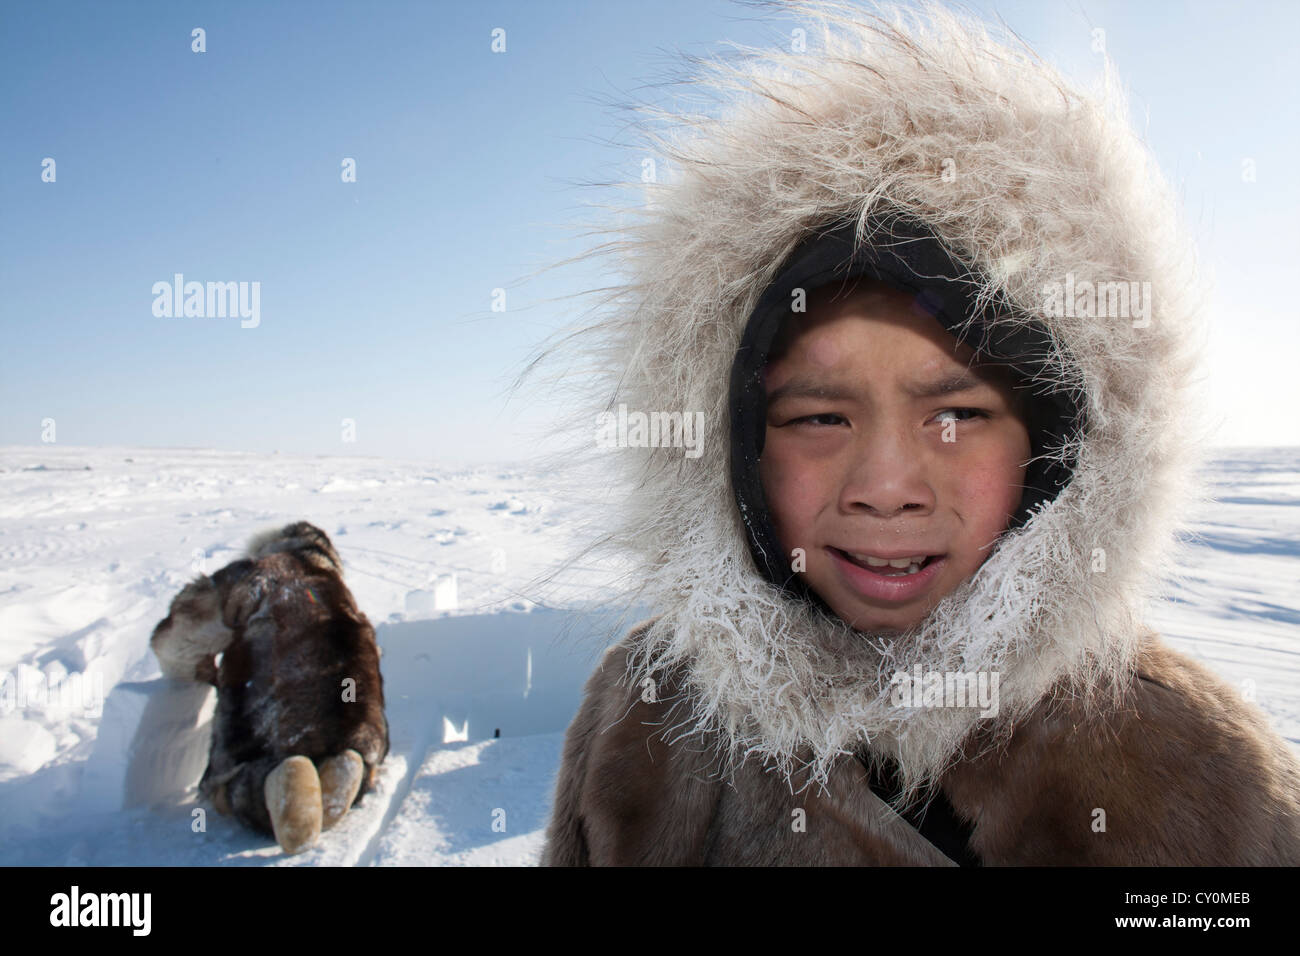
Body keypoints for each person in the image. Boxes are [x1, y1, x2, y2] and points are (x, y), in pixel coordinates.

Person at [537, 0, 1300, 865]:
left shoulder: (1204, 779)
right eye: (820, 416)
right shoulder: (642, 720)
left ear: (1059, 451)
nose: (888, 484)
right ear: (735, 455)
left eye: (959, 415)